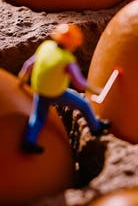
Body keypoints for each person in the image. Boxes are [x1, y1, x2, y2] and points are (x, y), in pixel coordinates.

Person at [18, 24, 110, 154]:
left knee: (38, 118)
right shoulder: (67, 60)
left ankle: (29, 141)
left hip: (39, 90)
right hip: (55, 93)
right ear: (71, 45)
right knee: (84, 105)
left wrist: (21, 81)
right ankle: (96, 128)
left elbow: (28, 65)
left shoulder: (46, 47)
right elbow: (79, 83)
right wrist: (96, 90)